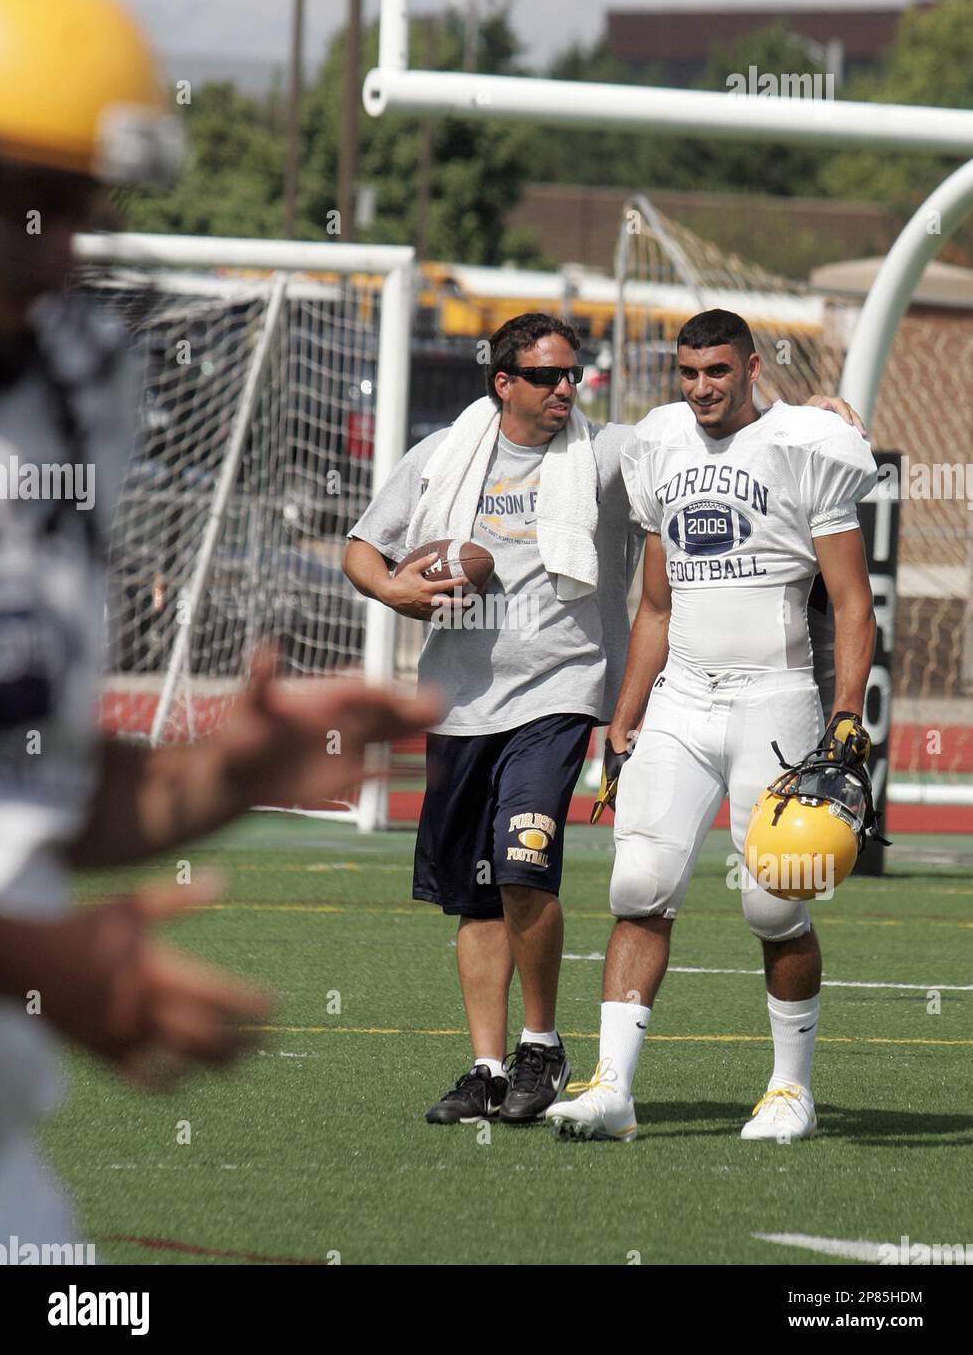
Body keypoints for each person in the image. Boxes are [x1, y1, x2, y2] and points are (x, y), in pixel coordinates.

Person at [0, 0, 441, 1249]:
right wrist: (45, 966)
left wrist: (228, 772)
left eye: (79, 212)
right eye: (25, 207)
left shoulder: (65, 396)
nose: (63, 257)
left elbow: (33, 805)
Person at [344, 309, 863, 1128]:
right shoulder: (453, 453)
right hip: (486, 699)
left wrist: (817, 409)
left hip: (594, 694)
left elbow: (836, 581)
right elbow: (364, 551)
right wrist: (395, 589)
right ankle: (570, 1081)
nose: (565, 388)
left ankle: (748, 1080)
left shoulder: (619, 450)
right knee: (593, 889)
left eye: (571, 374)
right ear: (501, 382)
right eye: (546, 376)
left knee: (757, 897)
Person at [546, 308, 878, 1144]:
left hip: (775, 703)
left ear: (752, 367)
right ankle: (612, 1086)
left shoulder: (808, 446)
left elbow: (849, 601)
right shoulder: (659, 444)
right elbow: (653, 605)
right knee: (637, 889)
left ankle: (789, 1091)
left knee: (773, 905)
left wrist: (844, 716)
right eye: (688, 374)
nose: (700, 389)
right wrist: (624, 718)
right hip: (681, 703)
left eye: (717, 373)